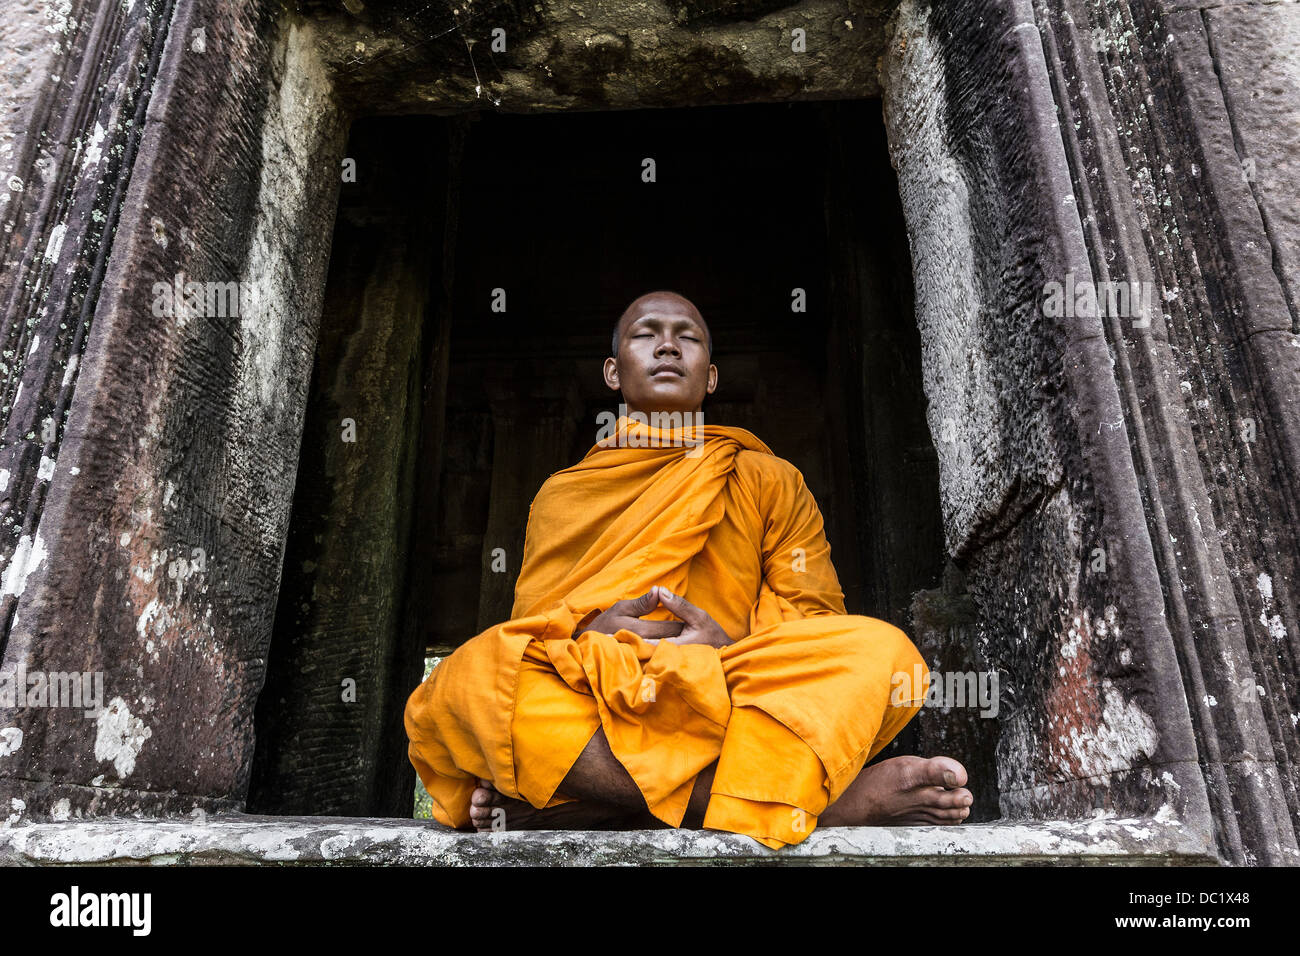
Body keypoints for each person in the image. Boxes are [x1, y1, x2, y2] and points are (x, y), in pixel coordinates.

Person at [403, 290, 973, 848]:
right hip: (599, 692)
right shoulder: (562, 495)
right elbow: (529, 632)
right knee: (469, 679)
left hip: (731, 687)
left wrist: (728, 644)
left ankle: (589, 801)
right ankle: (820, 803)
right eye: (646, 334)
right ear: (612, 371)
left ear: (712, 375)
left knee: (883, 652)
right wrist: (588, 630)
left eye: (688, 338)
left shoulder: (767, 478)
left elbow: (813, 616)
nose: (668, 348)